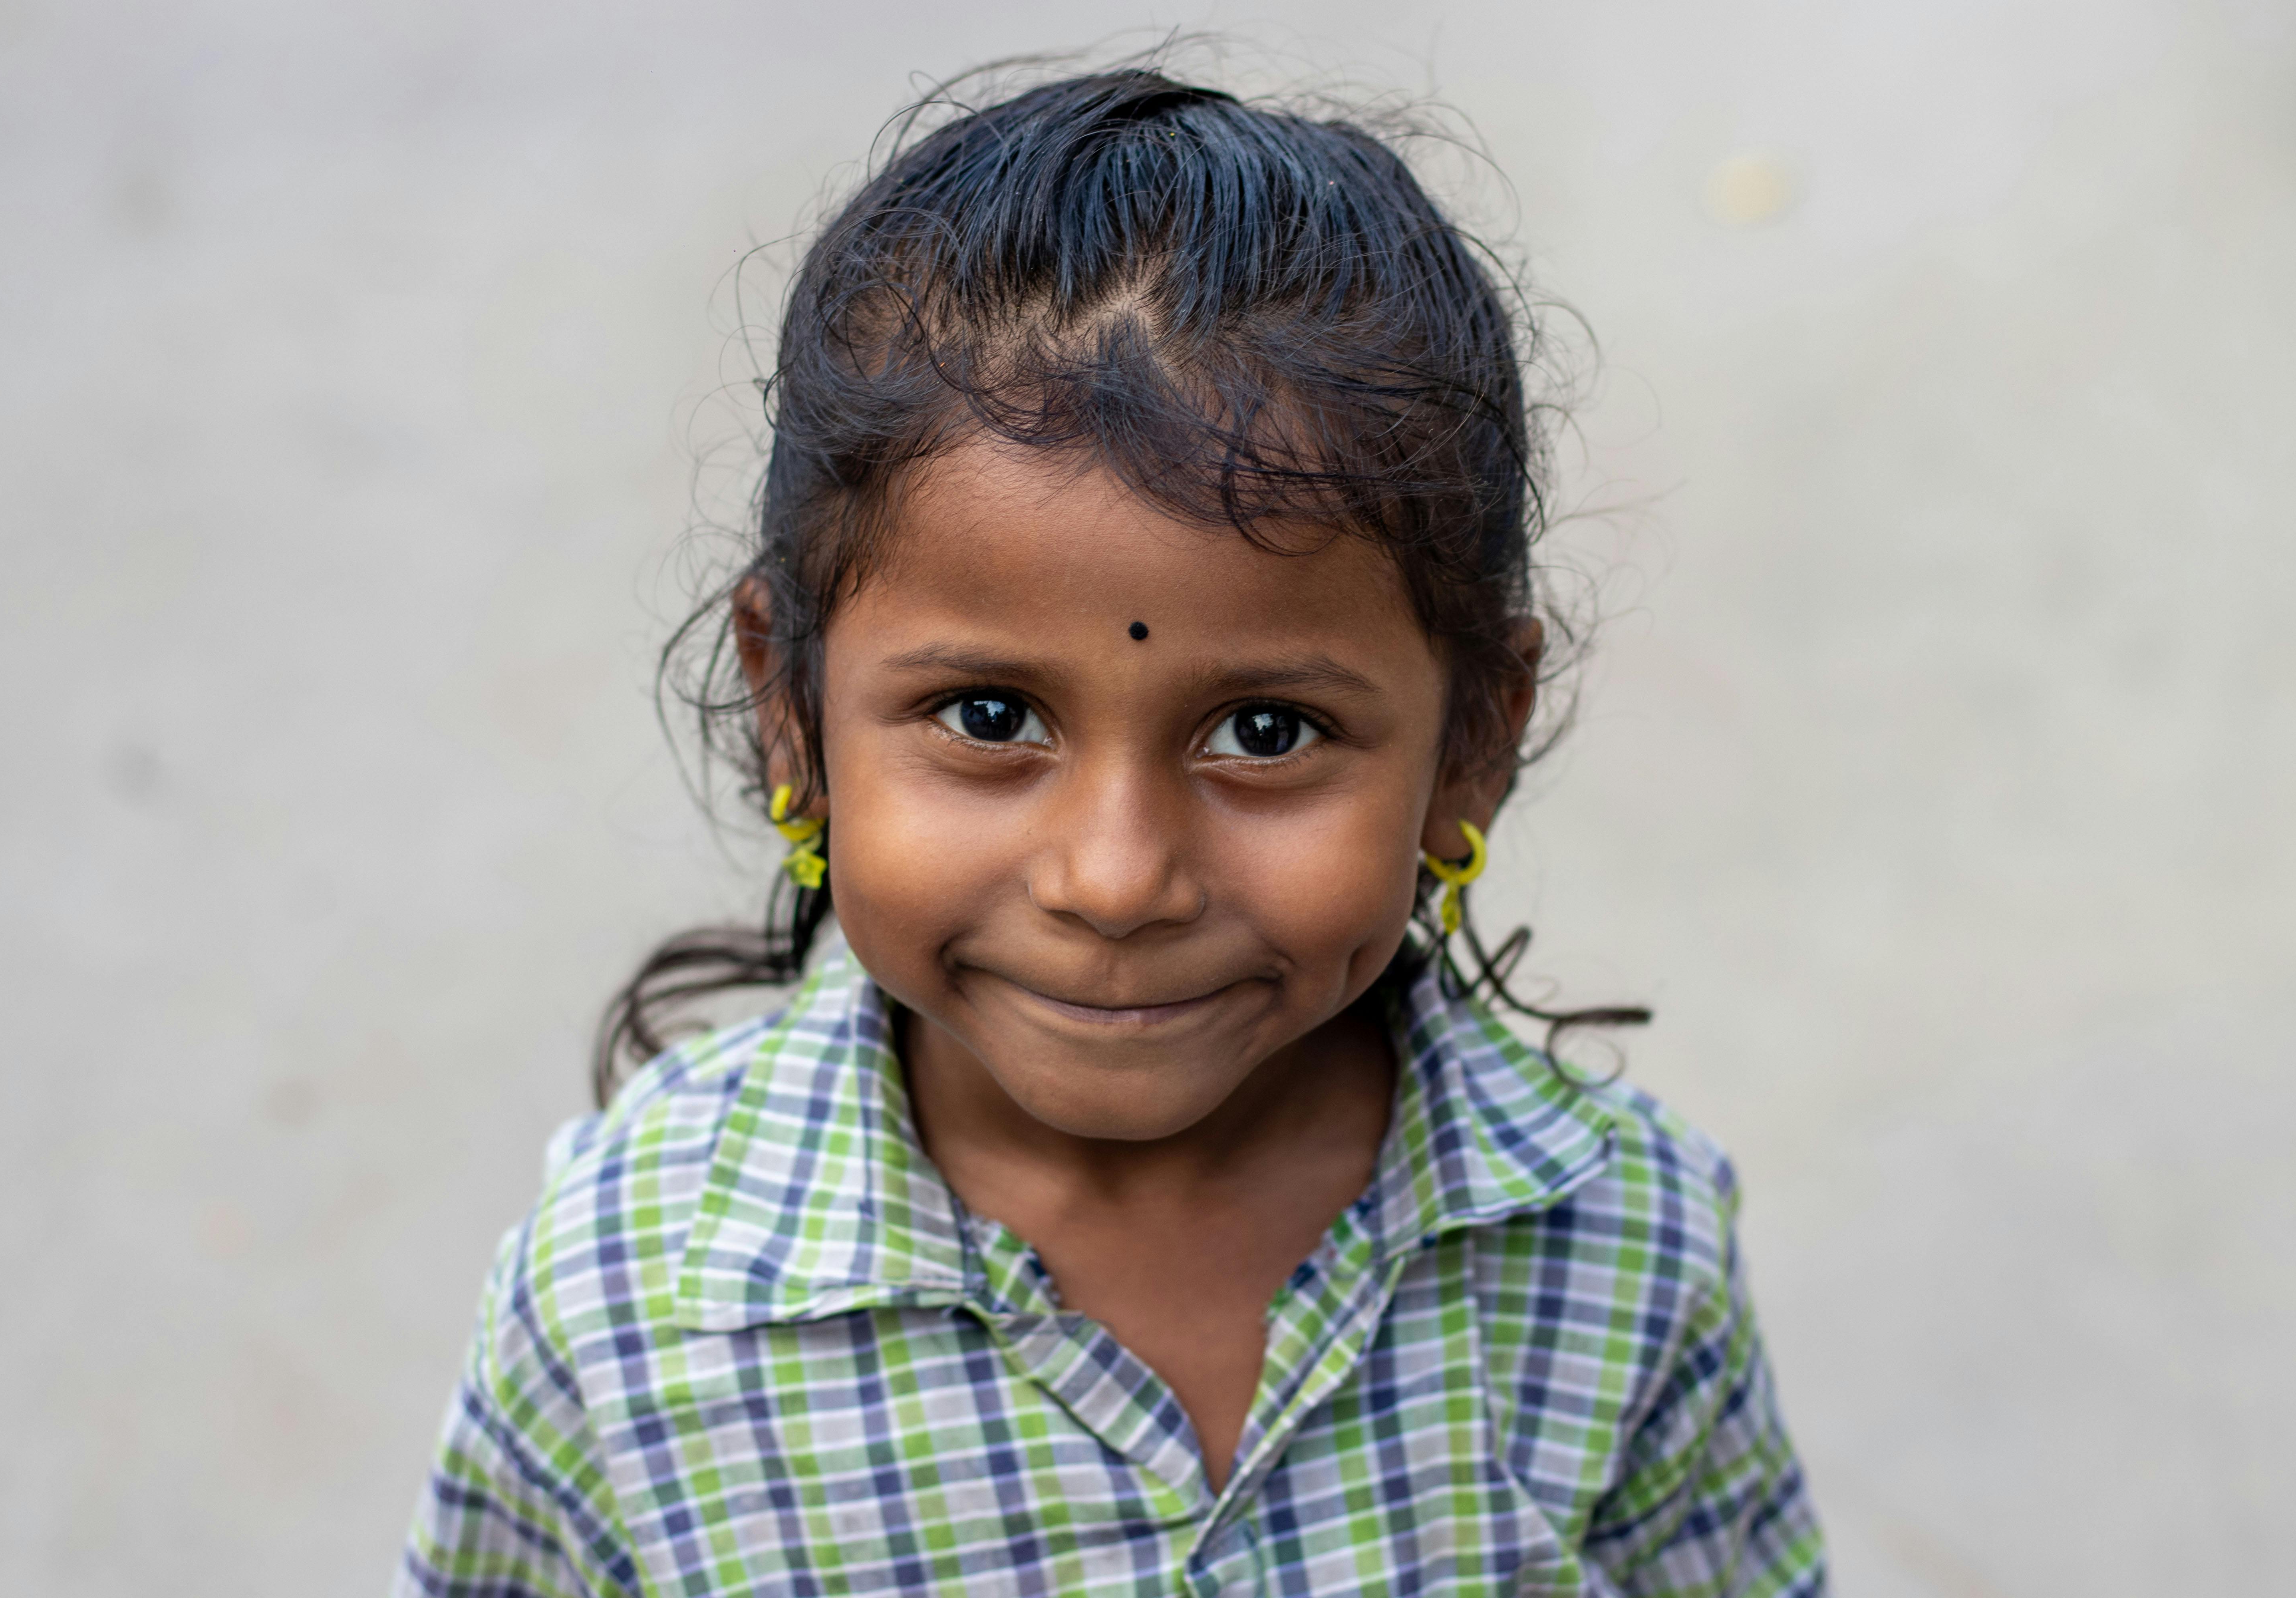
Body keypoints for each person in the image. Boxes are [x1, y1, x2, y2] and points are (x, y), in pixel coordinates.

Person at [396, 66, 1825, 1597]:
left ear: (1473, 740)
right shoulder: (622, 1297)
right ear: (792, 714)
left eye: (1265, 734)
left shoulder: (1623, 1246)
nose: (1118, 878)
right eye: (993, 718)